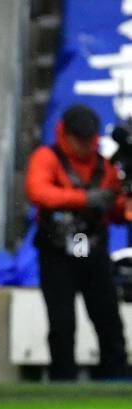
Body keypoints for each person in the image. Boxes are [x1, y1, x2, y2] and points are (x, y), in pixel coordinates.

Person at [24, 104, 131, 380]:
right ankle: (63, 380)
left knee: (108, 319)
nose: (87, 146)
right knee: (62, 322)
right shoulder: (47, 157)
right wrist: (84, 199)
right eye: (81, 140)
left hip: (93, 250)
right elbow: (38, 192)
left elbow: (119, 210)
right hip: (57, 251)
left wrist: (119, 205)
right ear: (66, 135)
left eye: (91, 140)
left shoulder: (104, 166)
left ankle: (115, 378)